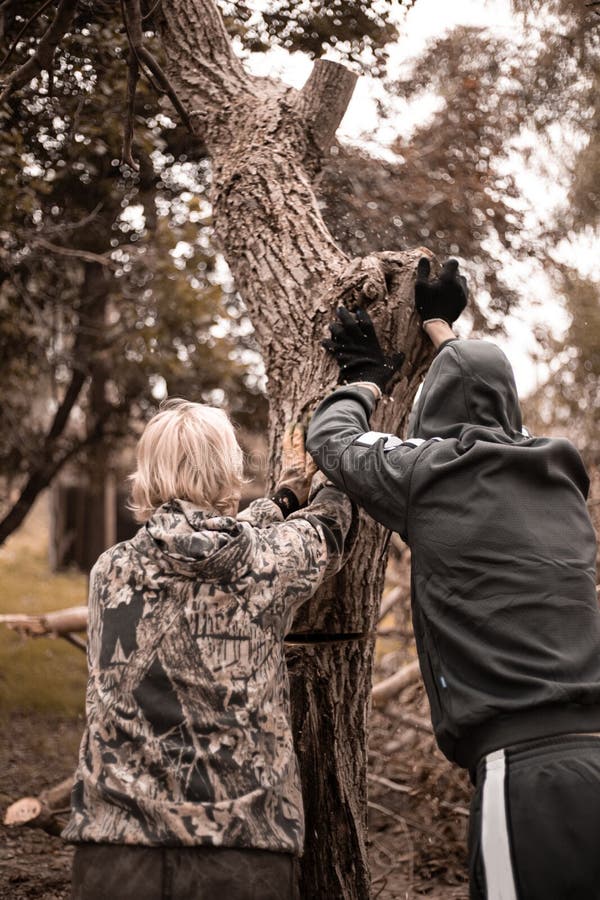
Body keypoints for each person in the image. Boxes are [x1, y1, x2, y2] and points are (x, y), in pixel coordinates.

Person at [306, 258, 600, 900]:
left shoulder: (431, 474)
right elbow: (491, 411)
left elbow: (329, 438)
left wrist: (363, 380)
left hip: (523, 775)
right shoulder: (561, 476)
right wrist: (441, 329)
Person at [63, 399, 354, 900]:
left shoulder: (109, 571)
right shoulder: (267, 562)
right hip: (242, 848)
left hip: (116, 845)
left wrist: (281, 499)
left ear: (148, 473)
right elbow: (330, 525)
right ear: (227, 472)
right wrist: (328, 474)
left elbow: (197, 539)